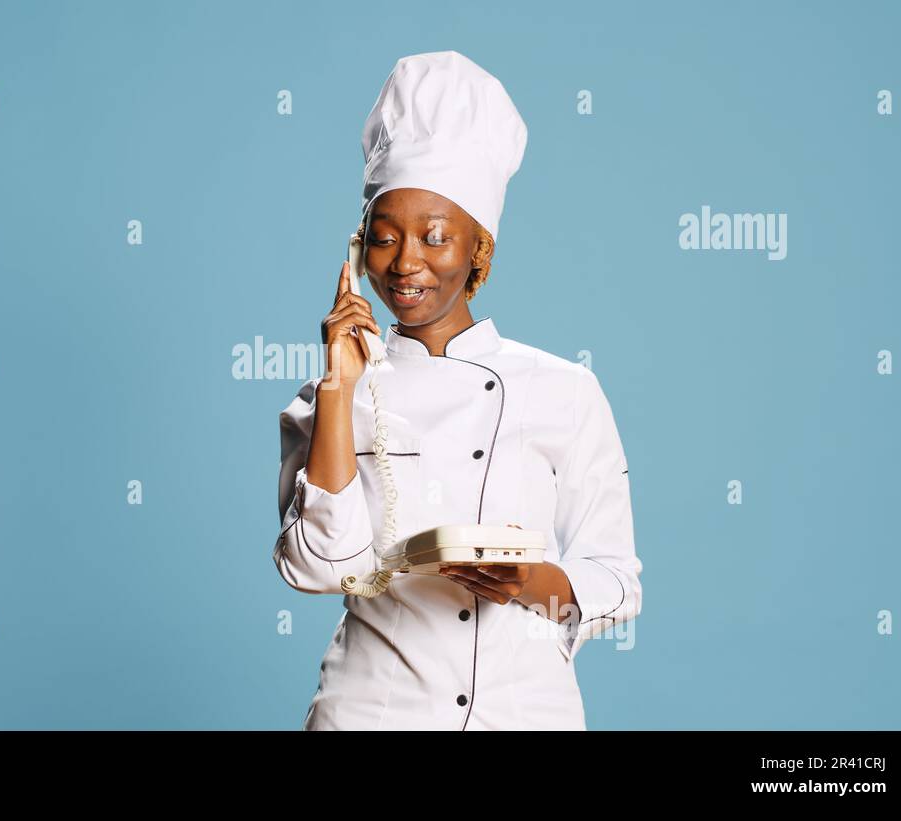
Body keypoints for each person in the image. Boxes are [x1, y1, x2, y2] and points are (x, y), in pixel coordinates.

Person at [272, 51, 643, 730]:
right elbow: (320, 566)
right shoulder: (329, 397)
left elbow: (618, 580)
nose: (406, 261)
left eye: (435, 237)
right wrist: (339, 385)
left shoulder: (566, 389)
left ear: (480, 247)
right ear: (358, 254)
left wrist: (531, 581)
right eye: (384, 239)